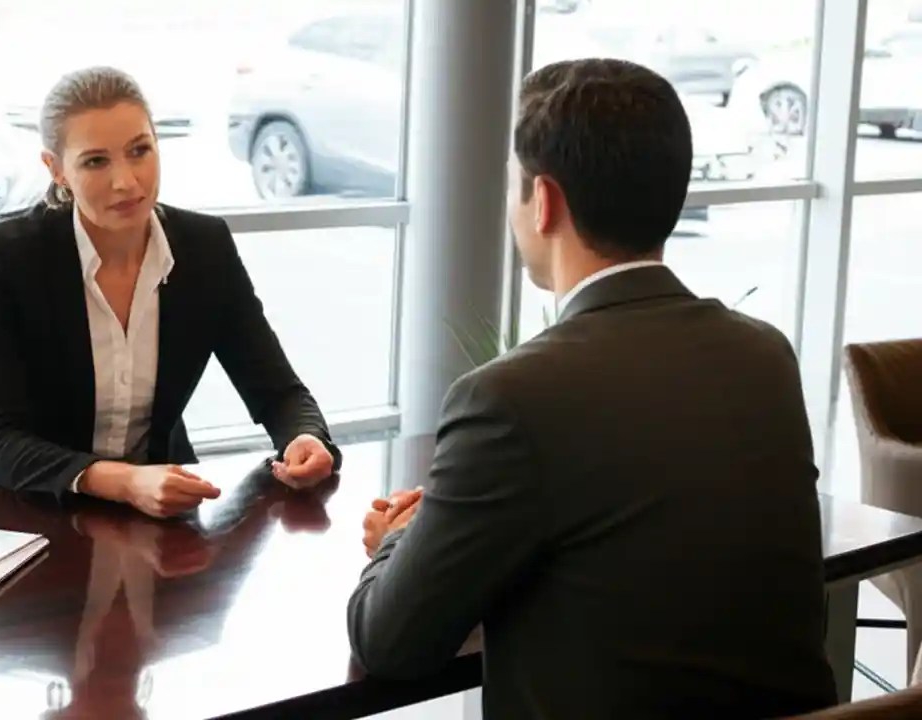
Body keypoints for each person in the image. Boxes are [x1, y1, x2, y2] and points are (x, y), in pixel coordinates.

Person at [347, 58, 837, 718]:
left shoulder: (510, 399)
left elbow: (390, 640)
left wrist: (399, 539)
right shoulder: (765, 356)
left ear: (543, 201)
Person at [0, 66, 340, 515]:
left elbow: (278, 390)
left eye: (139, 151)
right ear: (56, 170)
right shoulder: (4, 256)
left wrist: (304, 437)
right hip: (18, 509)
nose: (126, 181)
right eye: (96, 161)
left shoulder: (204, 247)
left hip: (150, 514)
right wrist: (123, 481)